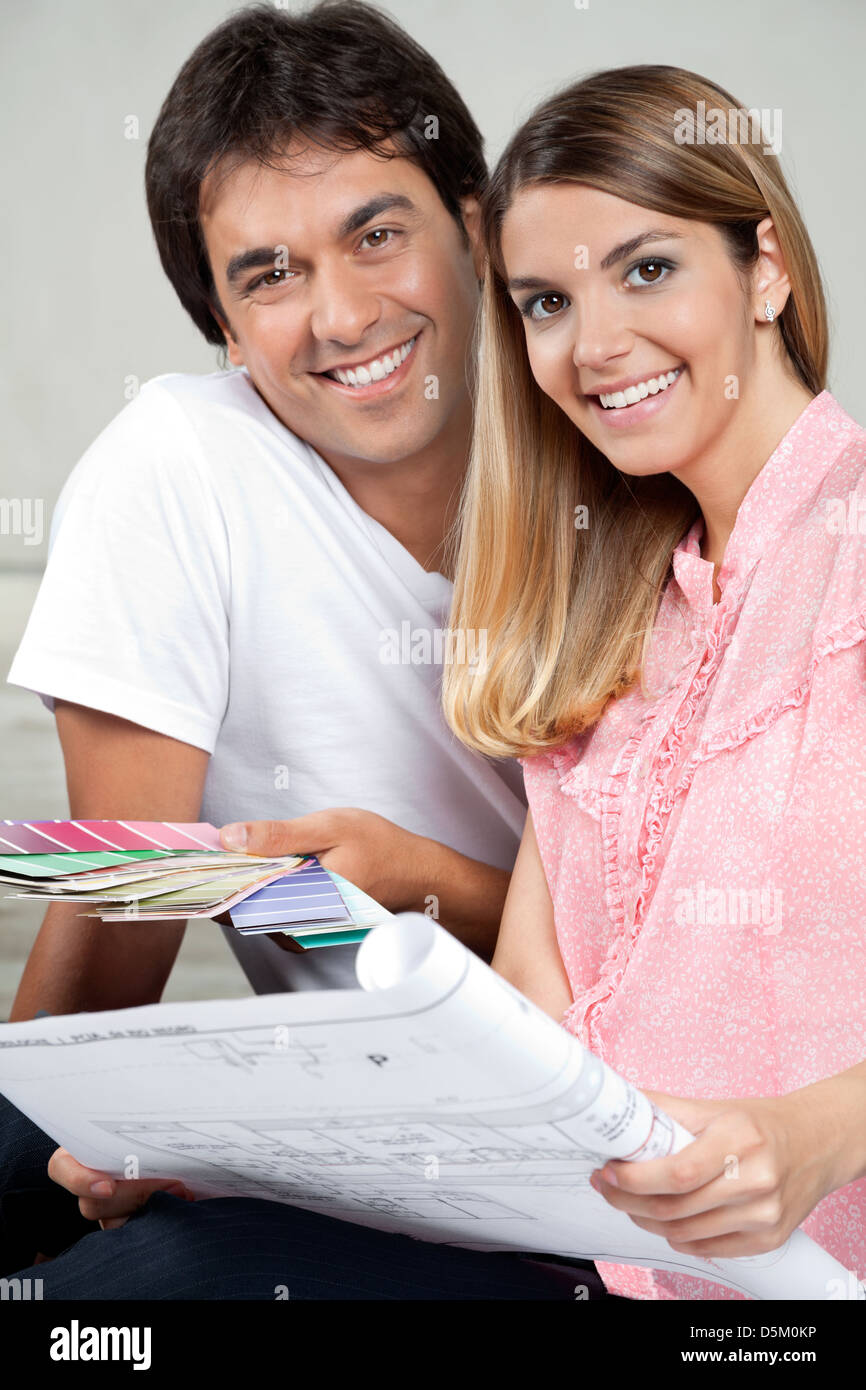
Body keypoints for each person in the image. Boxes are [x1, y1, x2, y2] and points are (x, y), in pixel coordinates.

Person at [0, 1, 607, 1299]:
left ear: (476, 226)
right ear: (222, 326)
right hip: (344, 1111)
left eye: (375, 234)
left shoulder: (618, 445)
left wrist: (419, 881)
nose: (338, 316)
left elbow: (698, 961)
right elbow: (129, 907)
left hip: (588, 1138)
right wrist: (96, 1130)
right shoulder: (183, 464)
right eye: (266, 274)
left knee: (129, 1296)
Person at [441, 63, 866, 1299]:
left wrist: (817, 1132)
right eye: (542, 301)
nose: (594, 344)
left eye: (645, 268)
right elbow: (531, 1018)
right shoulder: (601, 617)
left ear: (766, 267)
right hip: (600, 1271)